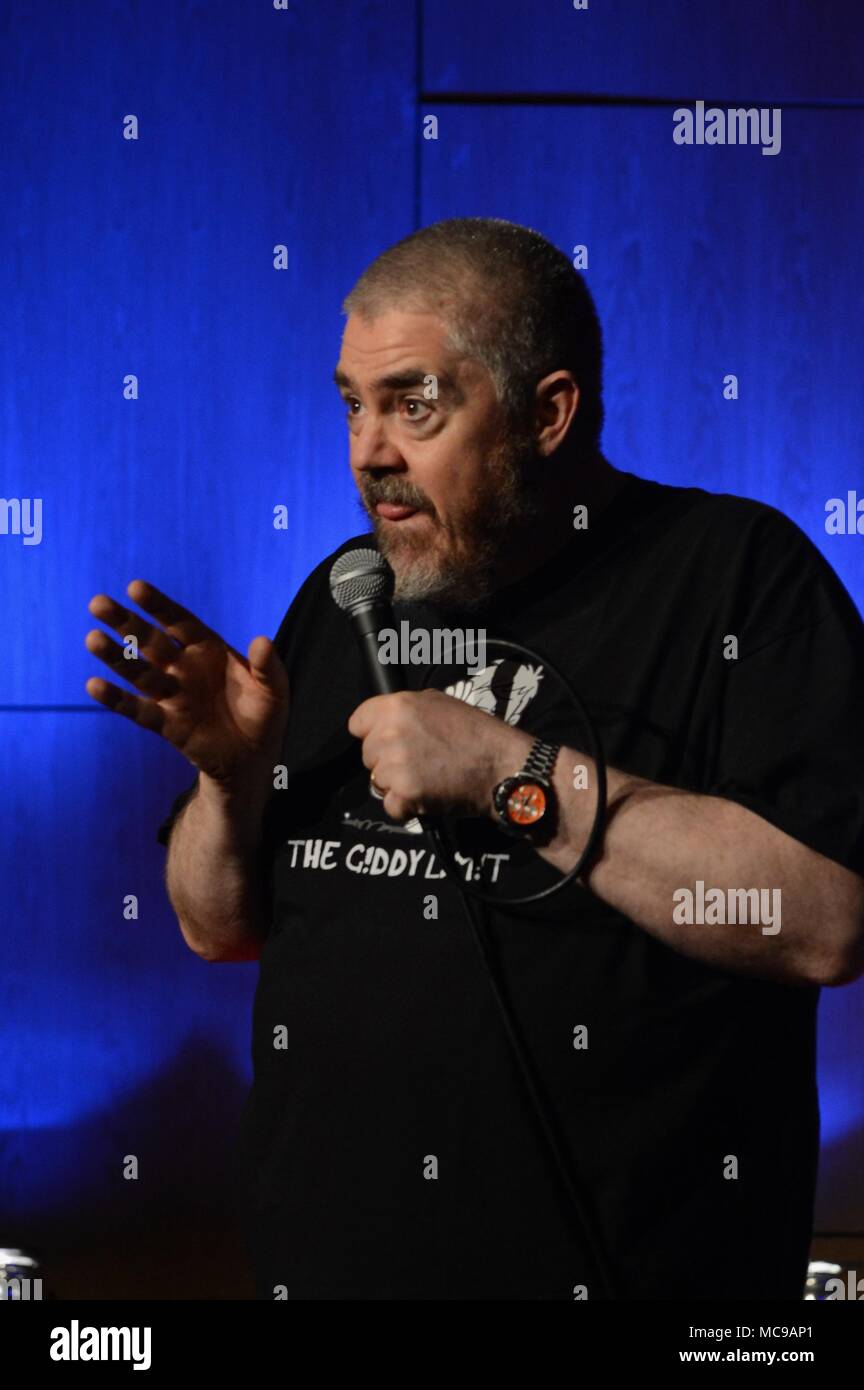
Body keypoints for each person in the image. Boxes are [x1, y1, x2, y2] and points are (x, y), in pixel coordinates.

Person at [85, 217, 864, 1300]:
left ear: (548, 413)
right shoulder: (347, 594)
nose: (369, 451)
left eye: (415, 404)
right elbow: (217, 926)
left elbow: (827, 919)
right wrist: (235, 781)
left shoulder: (738, 580)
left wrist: (513, 775)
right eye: (352, 405)